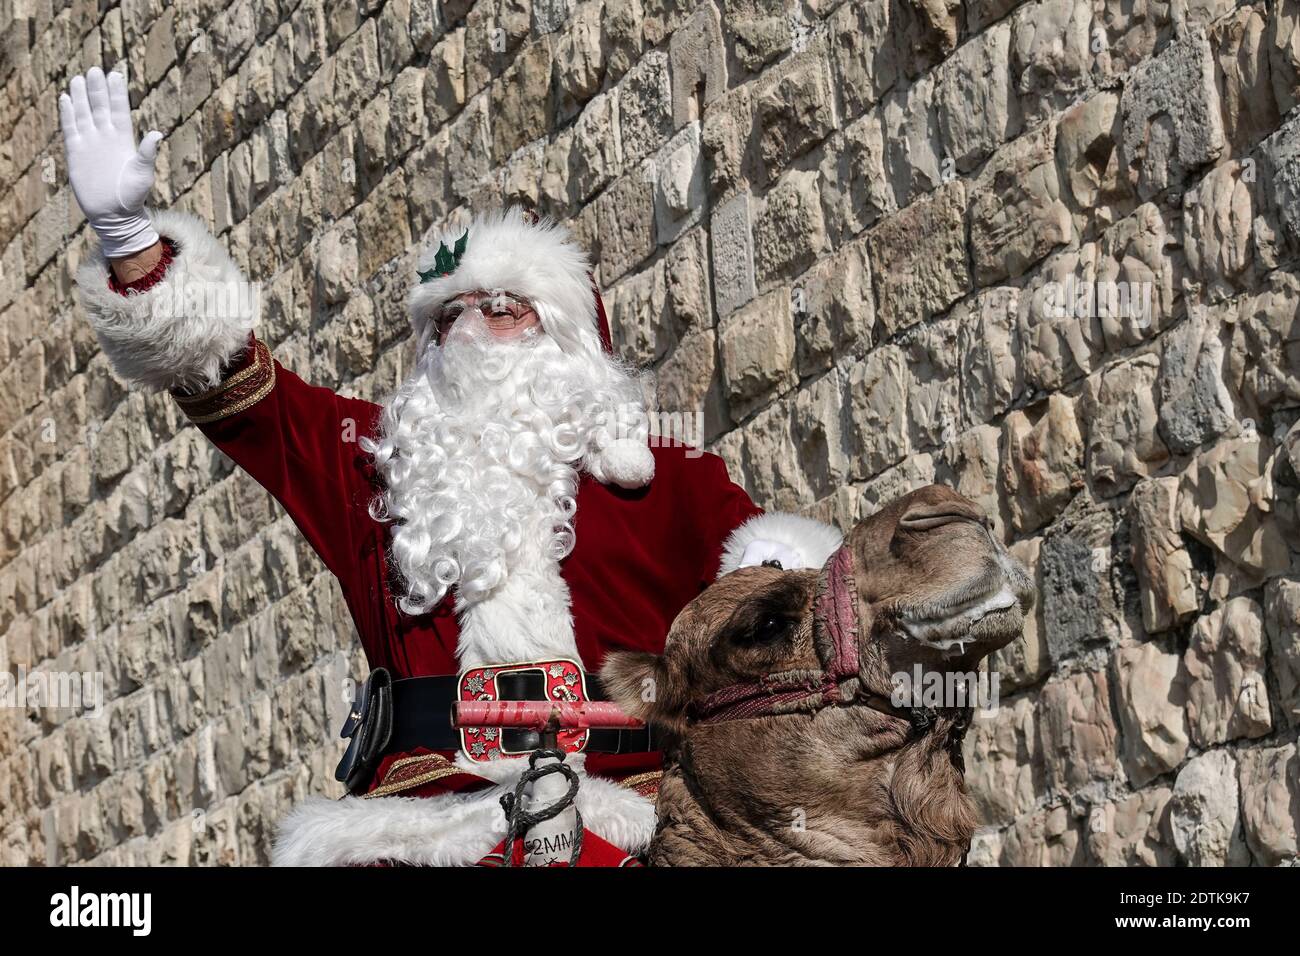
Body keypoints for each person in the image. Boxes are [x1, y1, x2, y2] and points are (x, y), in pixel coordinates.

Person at [62, 66, 842, 865]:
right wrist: (132, 246)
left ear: (568, 342)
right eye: (447, 318)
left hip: (634, 818)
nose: (469, 332)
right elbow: (240, 391)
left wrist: (782, 575)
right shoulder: (372, 465)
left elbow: (783, 590)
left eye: (502, 310)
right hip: (427, 822)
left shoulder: (666, 477)